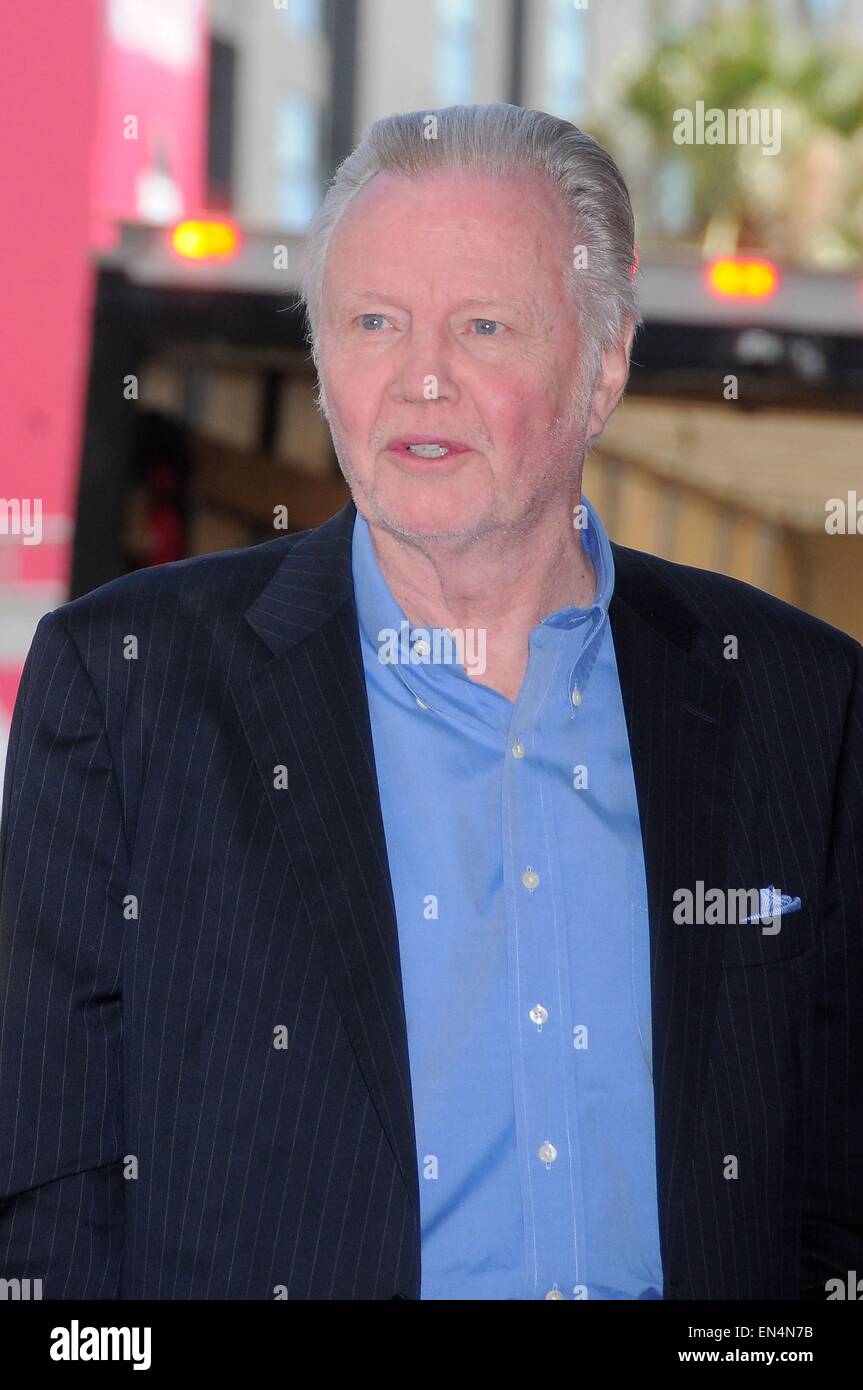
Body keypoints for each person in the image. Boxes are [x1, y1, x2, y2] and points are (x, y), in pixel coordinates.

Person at [1, 104, 860, 1301]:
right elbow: (45, 1191)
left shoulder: (796, 700)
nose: (419, 376)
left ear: (602, 363)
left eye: (483, 325)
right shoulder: (127, 685)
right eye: (372, 322)